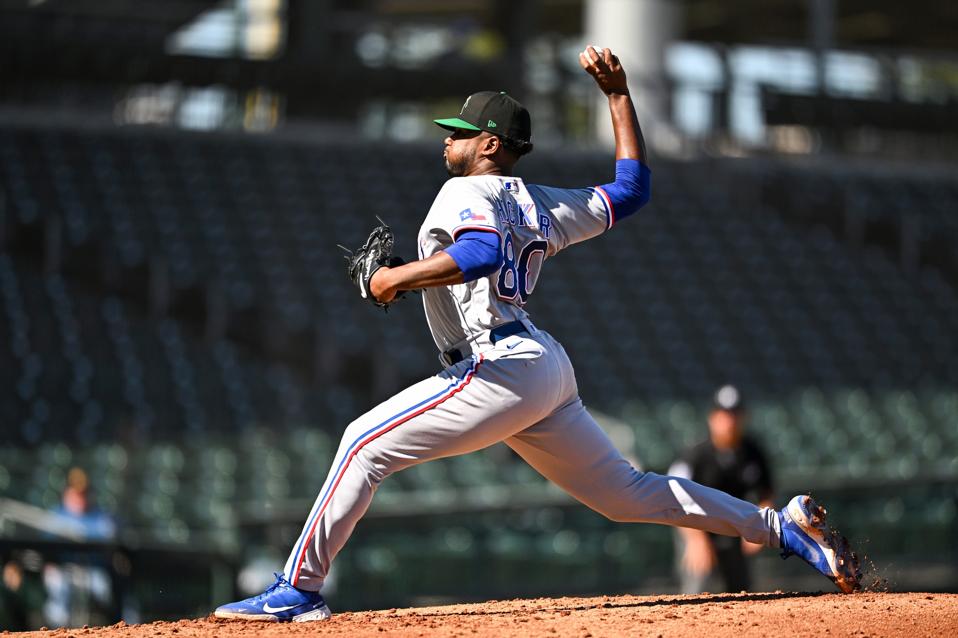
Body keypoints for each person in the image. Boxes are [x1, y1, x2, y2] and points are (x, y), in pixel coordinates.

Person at [214, 46, 860, 622]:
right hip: (539, 366)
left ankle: (298, 588)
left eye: (462, 132)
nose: (449, 141)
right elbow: (631, 191)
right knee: (625, 494)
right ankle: (782, 528)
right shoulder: (542, 200)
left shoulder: (465, 189)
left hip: (498, 362)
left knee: (361, 443)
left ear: (490, 144)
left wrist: (395, 279)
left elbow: (481, 252)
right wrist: (617, 97)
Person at [669, 385, 774, 593]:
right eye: (724, 415)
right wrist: (696, 540)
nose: (730, 422)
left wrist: (760, 527)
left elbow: (766, 493)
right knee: (696, 589)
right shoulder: (696, 454)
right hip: (698, 529)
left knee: (741, 591)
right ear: (712, 418)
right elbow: (674, 498)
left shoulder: (753, 452)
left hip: (734, 531)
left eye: (735, 415)